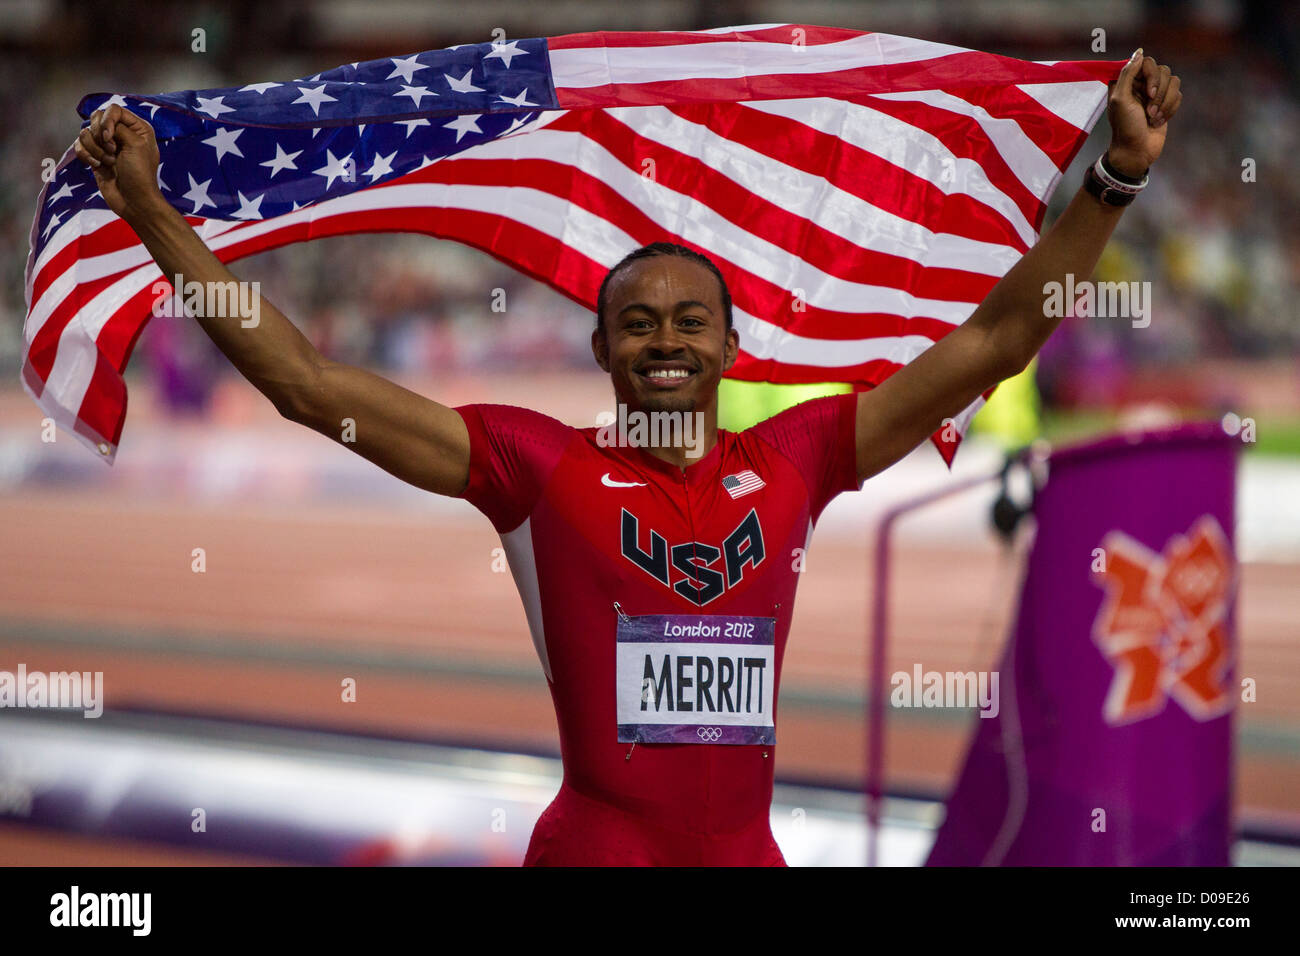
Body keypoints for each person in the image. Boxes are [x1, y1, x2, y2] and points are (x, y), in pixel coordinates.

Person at [72, 49, 1180, 865]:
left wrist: (1113, 184)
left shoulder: (799, 455)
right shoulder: (530, 463)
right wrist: (153, 213)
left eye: (689, 320)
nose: (664, 340)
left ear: (729, 345)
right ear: (601, 346)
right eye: (638, 322)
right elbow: (309, 385)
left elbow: (995, 338)